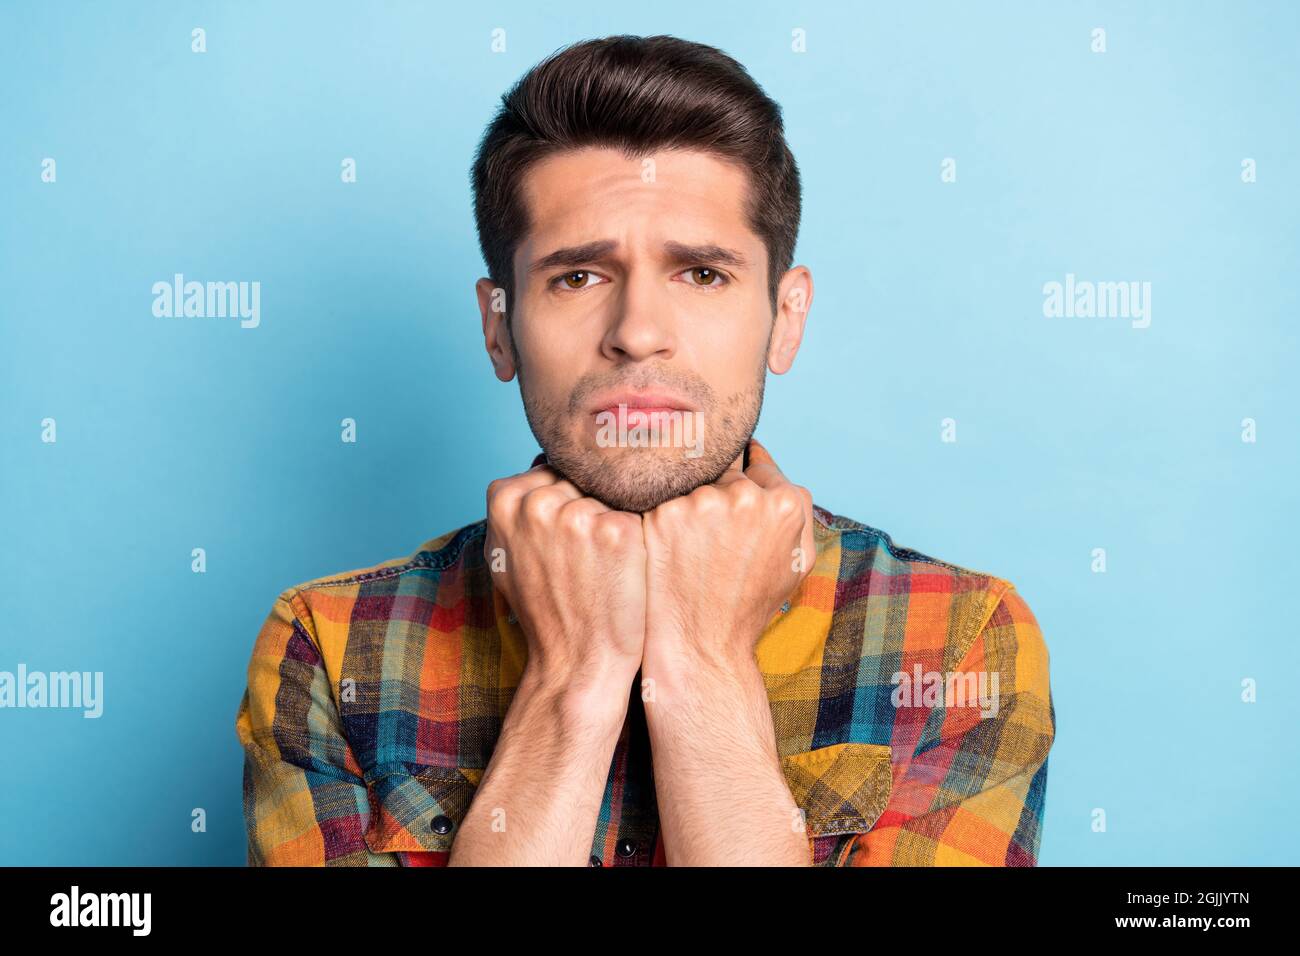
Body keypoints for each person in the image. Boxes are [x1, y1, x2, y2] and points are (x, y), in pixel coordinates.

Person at [235, 33, 1055, 867]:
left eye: (701, 274)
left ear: (786, 315)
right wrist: (574, 680)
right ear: (498, 326)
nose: (637, 334)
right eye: (578, 277)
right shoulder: (331, 645)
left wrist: (701, 665)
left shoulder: (957, 641)